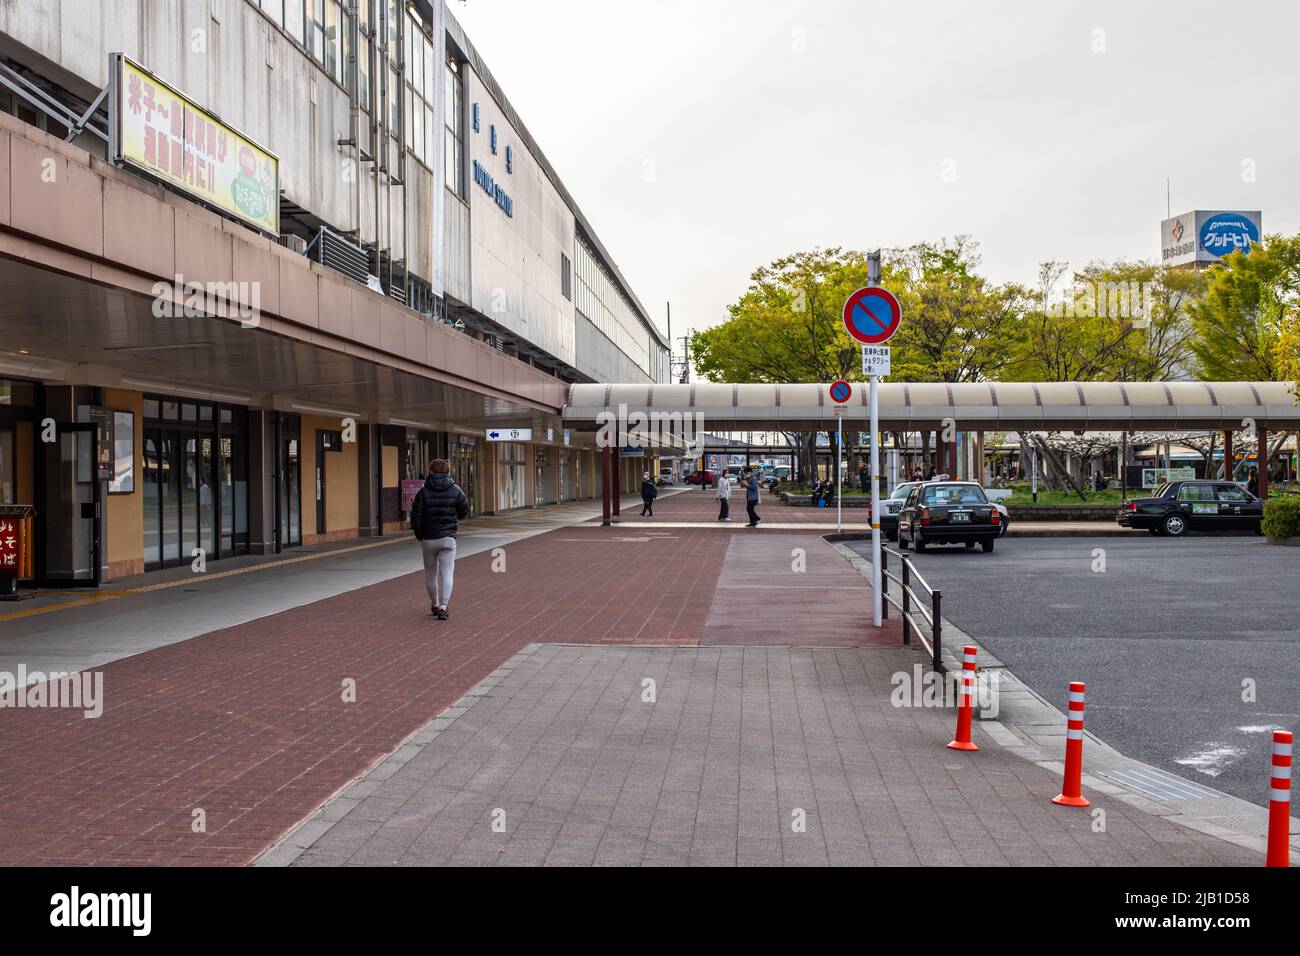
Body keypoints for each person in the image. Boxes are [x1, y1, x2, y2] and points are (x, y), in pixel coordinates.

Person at [410, 459, 470, 621]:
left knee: (430, 573)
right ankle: (444, 606)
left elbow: (416, 517)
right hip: (448, 538)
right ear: (448, 471)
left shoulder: (422, 492)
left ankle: (434, 604)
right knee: (447, 573)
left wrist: (419, 535)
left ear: (430, 471)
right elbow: (464, 511)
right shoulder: (456, 490)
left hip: (429, 538)